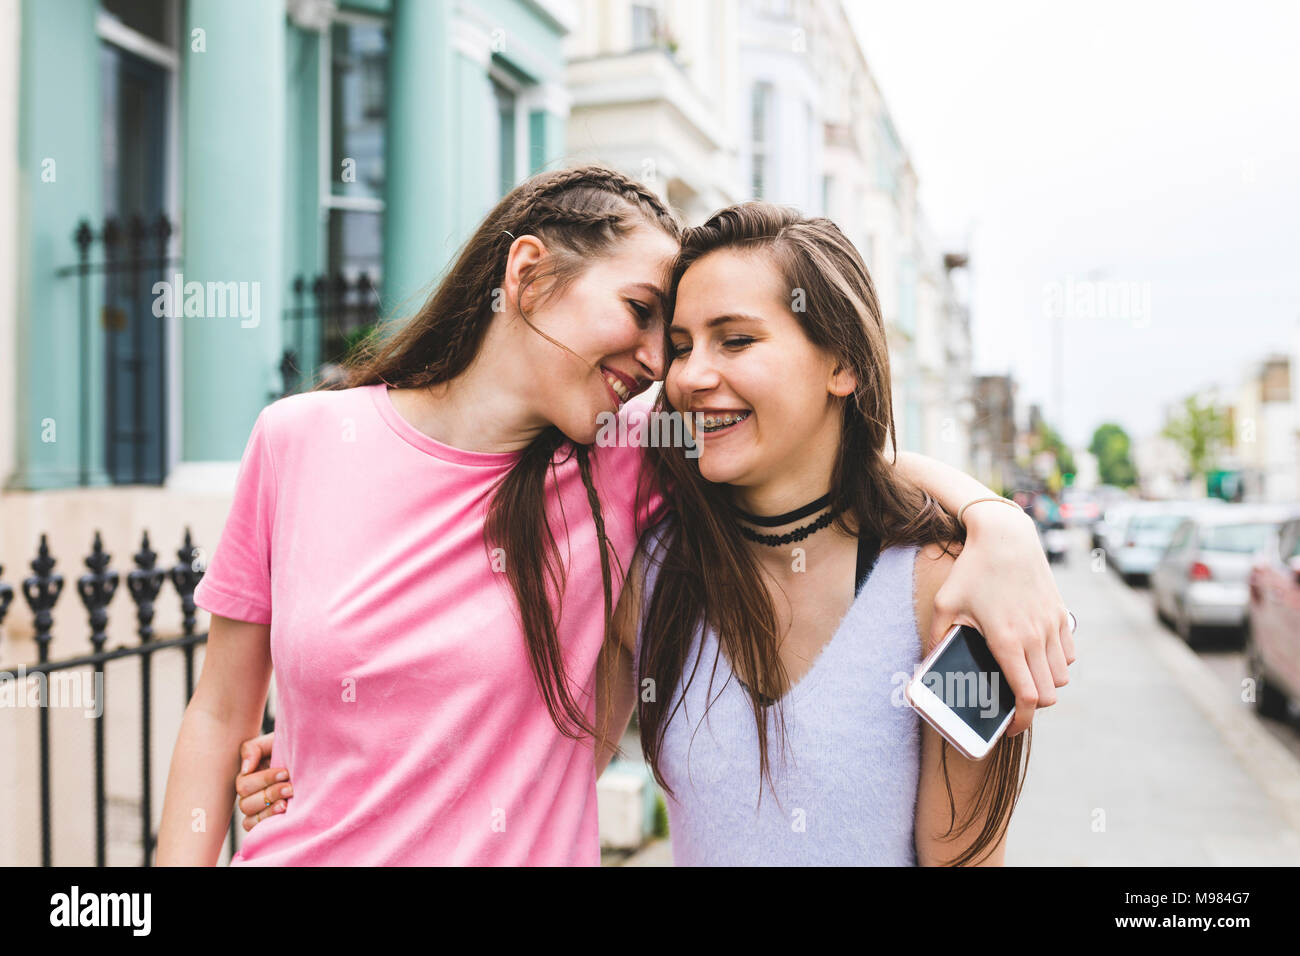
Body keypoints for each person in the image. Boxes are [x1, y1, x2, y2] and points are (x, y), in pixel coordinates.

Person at [175, 168, 1072, 865]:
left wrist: (1000, 526)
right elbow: (224, 712)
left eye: (730, 339)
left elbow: (820, 454)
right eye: (662, 328)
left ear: (842, 359)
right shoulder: (303, 440)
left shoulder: (951, 598)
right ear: (526, 275)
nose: (669, 369)